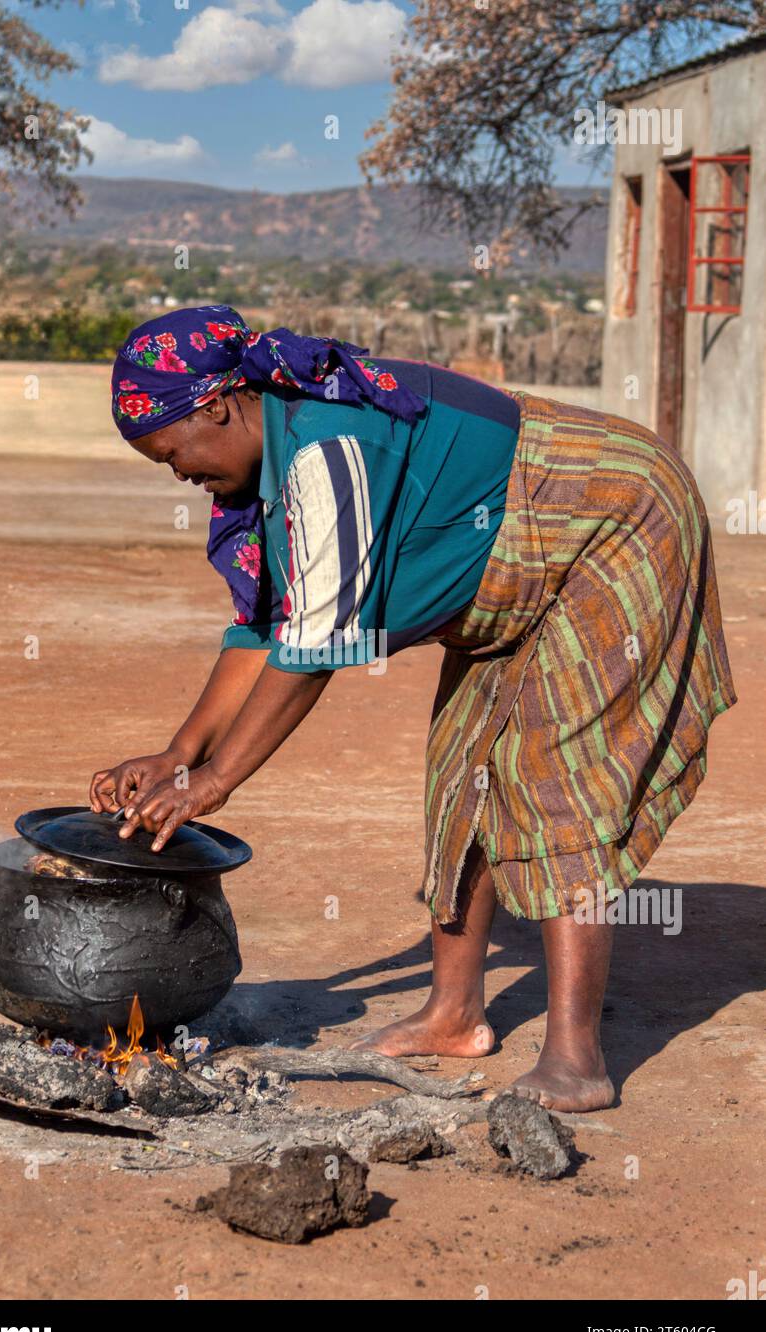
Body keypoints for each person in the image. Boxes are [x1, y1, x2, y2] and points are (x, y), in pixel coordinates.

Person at [89, 305, 736, 1112]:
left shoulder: (327, 450)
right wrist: (180, 752)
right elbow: (269, 626)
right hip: (515, 574)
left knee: (557, 780)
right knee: (465, 771)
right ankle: (455, 1016)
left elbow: (317, 646)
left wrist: (215, 781)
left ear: (217, 405)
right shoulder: (272, 466)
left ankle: (577, 1057)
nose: (178, 473)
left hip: (613, 519)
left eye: (173, 452)